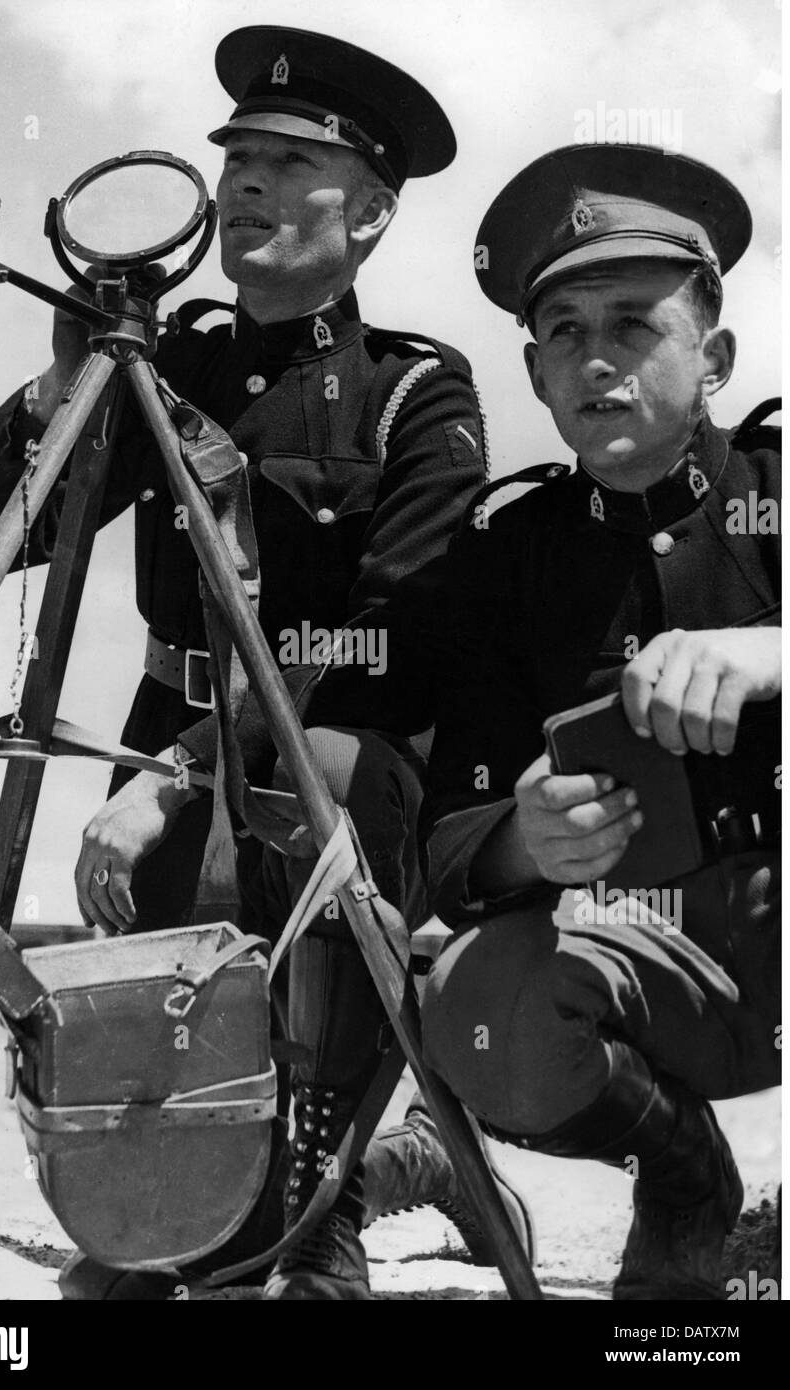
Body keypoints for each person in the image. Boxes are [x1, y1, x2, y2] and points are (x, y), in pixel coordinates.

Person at [0, 26, 531, 1299]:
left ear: (368, 213)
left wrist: (170, 772)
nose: (248, 182)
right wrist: (62, 386)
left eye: (286, 163)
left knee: (313, 820)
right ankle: (208, 1210)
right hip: (167, 732)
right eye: (239, 159)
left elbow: (395, 644)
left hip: (340, 751)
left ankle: (319, 1220)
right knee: (158, 992)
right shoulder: (172, 358)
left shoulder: (412, 392)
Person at [420, 142, 780, 1301]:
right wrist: (524, 837)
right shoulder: (503, 555)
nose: (597, 358)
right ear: (533, 373)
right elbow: (447, 829)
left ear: (712, 357)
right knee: (475, 1007)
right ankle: (681, 1168)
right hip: (639, 953)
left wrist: (774, 651)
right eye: (565, 332)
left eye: (633, 322)